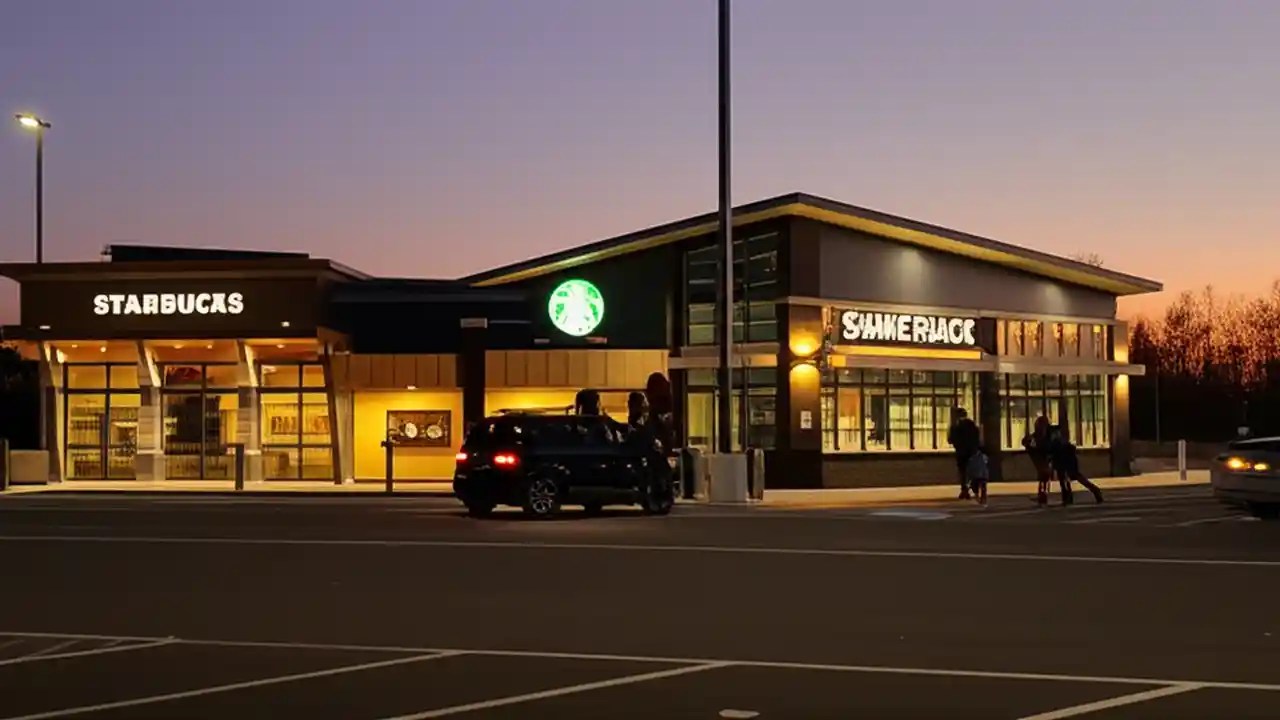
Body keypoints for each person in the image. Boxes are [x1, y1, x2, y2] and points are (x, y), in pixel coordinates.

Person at [1049, 422, 1103, 504]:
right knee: (1070, 477)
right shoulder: (1058, 441)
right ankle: (1069, 496)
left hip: (1065, 460)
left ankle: (1068, 496)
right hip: (1066, 459)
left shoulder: (1055, 441)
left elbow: (1054, 450)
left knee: (1068, 477)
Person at [947, 407, 981, 500]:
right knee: (972, 471)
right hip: (972, 452)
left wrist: (957, 443)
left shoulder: (955, 426)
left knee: (963, 472)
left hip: (961, 452)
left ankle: (964, 490)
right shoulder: (972, 425)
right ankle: (974, 488)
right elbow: (977, 438)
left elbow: (950, 440)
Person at [1023, 415, 1054, 506]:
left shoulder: (1045, 434)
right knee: (1044, 477)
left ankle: (1043, 494)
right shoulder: (1043, 434)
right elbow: (1026, 441)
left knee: (1044, 476)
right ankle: (1043, 494)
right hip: (1043, 457)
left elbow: (1028, 442)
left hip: (1044, 457)